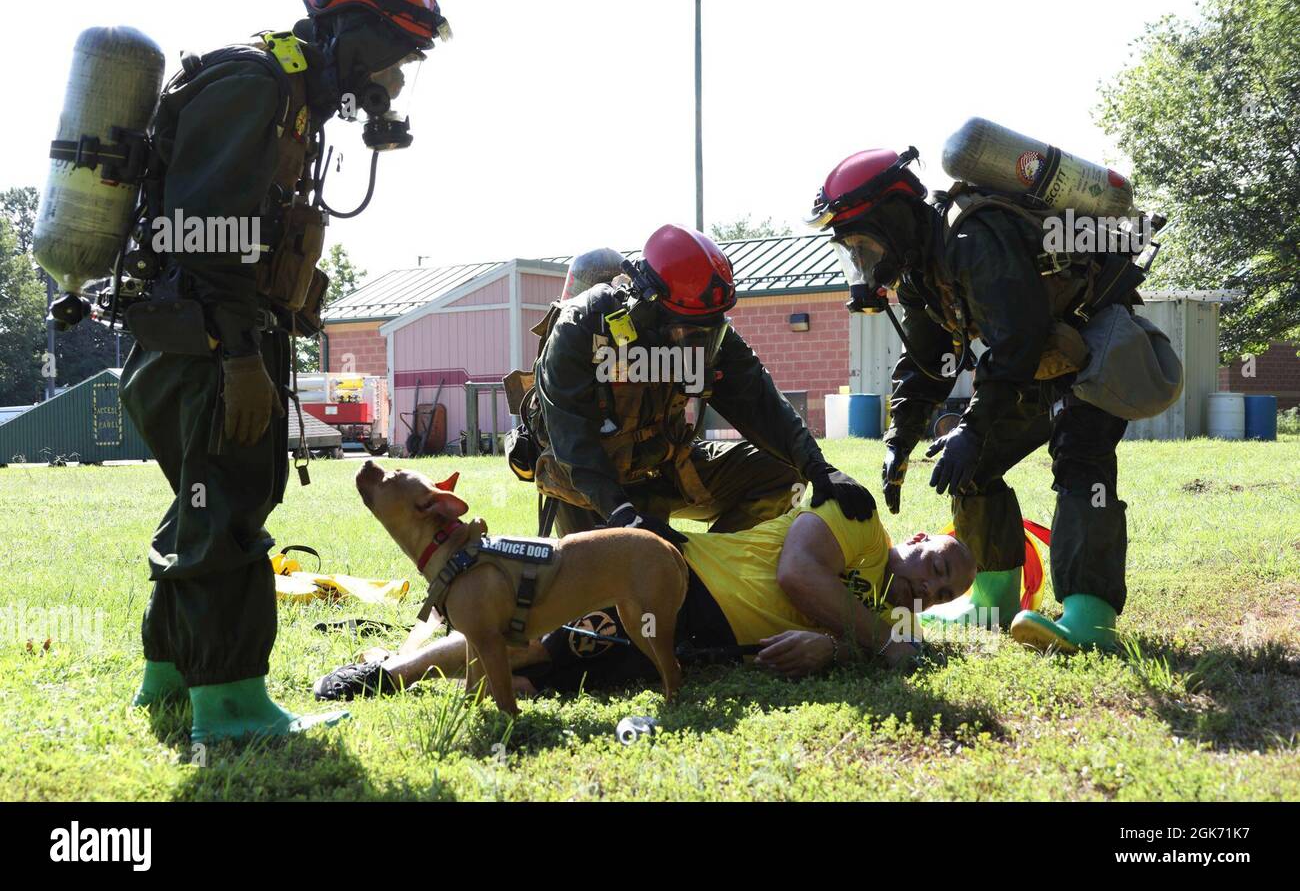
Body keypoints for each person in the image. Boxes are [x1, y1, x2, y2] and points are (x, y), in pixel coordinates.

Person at [120, 0, 451, 743]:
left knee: (209, 505)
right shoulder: (254, 83)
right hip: (207, 345)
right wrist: (238, 357)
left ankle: (169, 679)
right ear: (355, 32)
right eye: (396, 55)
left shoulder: (289, 94)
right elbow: (200, 232)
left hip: (225, 335)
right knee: (226, 511)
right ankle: (229, 706)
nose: (397, 77)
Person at [806, 147, 1144, 652]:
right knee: (970, 465)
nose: (861, 259)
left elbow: (1018, 338)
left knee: (1082, 464)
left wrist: (972, 426)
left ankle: (1090, 619)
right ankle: (994, 596)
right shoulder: (922, 269)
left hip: (1094, 349)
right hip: (1036, 363)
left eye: (862, 242)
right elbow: (928, 357)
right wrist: (900, 438)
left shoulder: (972, 237)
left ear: (892, 221)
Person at [312, 497, 976, 700]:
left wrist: (834, 645)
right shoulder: (858, 517)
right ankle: (386, 675)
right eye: (936, 563)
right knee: (545, 630)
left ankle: (513, 683)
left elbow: (862, 641)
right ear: (918, 537)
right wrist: (872, 641)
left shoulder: (889, 620)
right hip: (671, 572)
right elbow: (799, 576)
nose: (930, 584)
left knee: (577, 673)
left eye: (942, 593)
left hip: (703, 643)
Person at [519, 223, 876, 543]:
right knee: (616, 597)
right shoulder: (580, 328)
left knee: (782, 473)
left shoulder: (704, 327)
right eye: (686, 332)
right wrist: (624, 517)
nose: (697, 345)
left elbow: (761, 403)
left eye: (709, 332)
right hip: (587, 484)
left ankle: (707, 568)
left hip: (663, 467)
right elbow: (572, 442)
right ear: (648, 308)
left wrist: (819, 468)